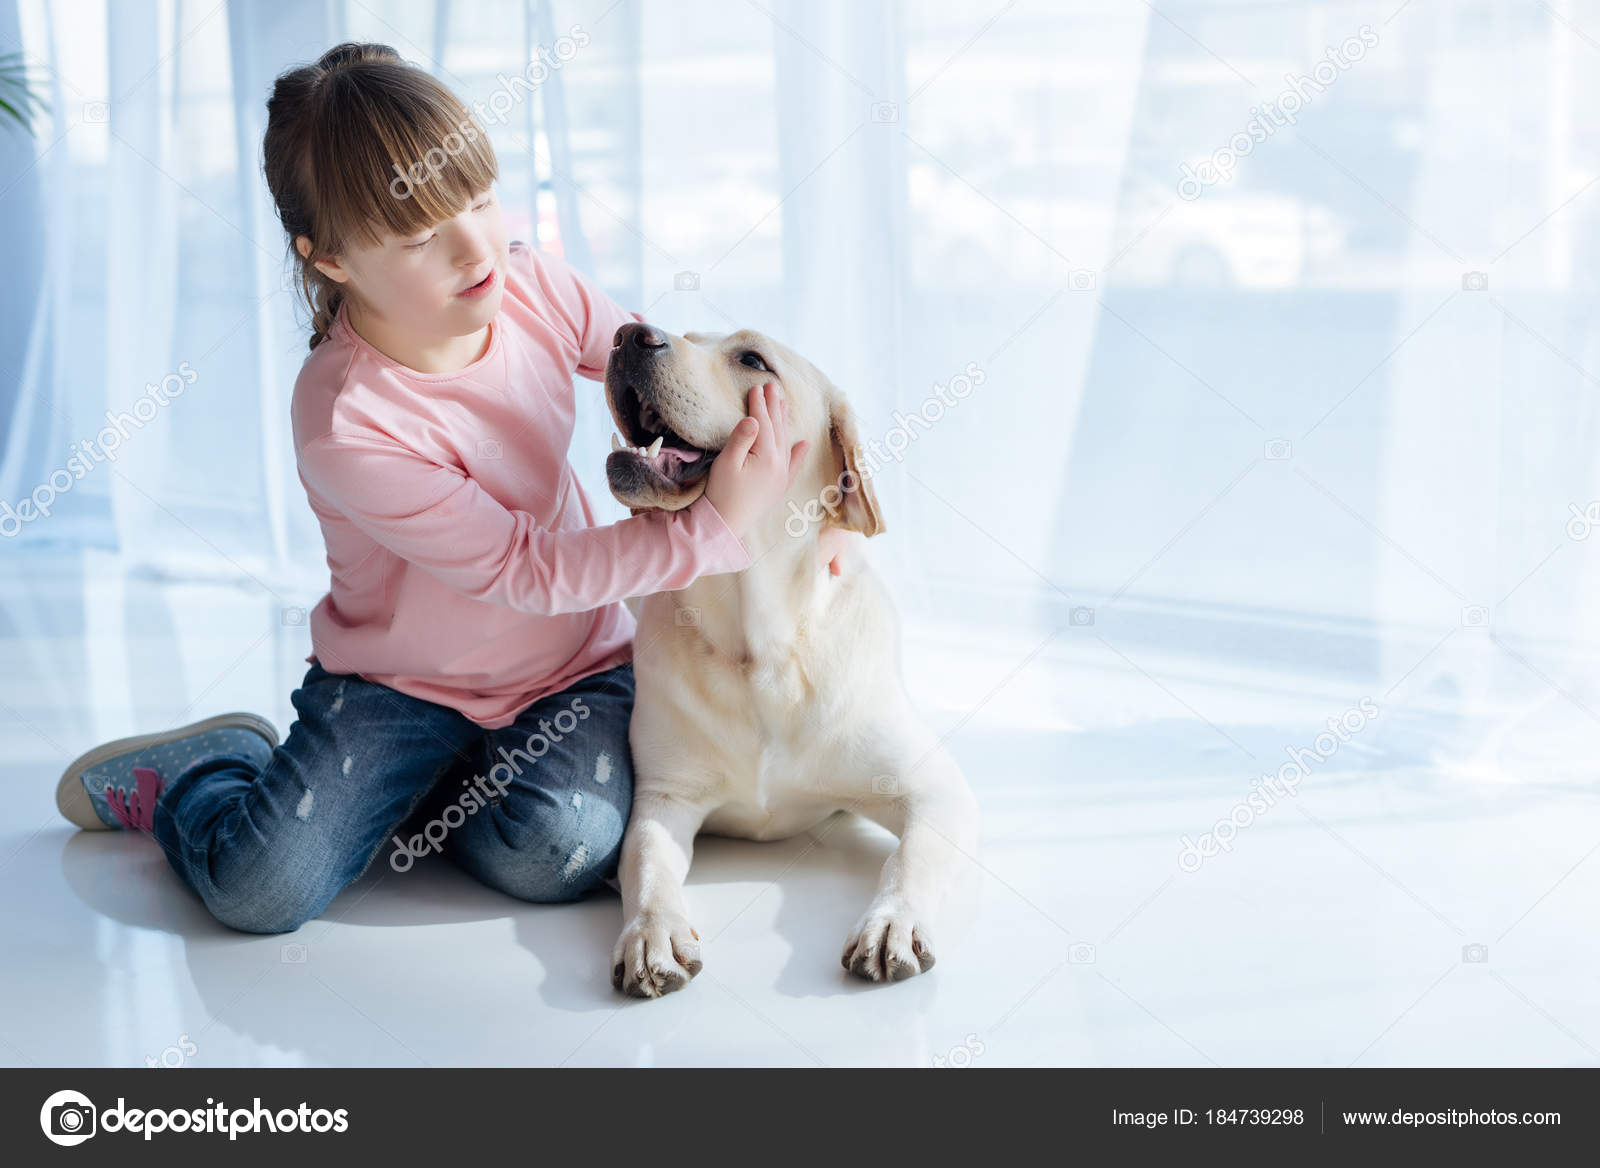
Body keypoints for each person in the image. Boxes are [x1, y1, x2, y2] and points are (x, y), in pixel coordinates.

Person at [54, 42, 808, 935]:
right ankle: (210, 769)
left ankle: (426, 798)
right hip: (395, 687)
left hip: (570, 669)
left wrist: (766, 443)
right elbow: (521, 571)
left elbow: (647, 372)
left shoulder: (532, 287)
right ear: (329, 260)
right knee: (260, 892)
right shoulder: (349, 419)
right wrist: (712, 525)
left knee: (562, 852)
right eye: (420, 237)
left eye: (481, 200)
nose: (476, 246)